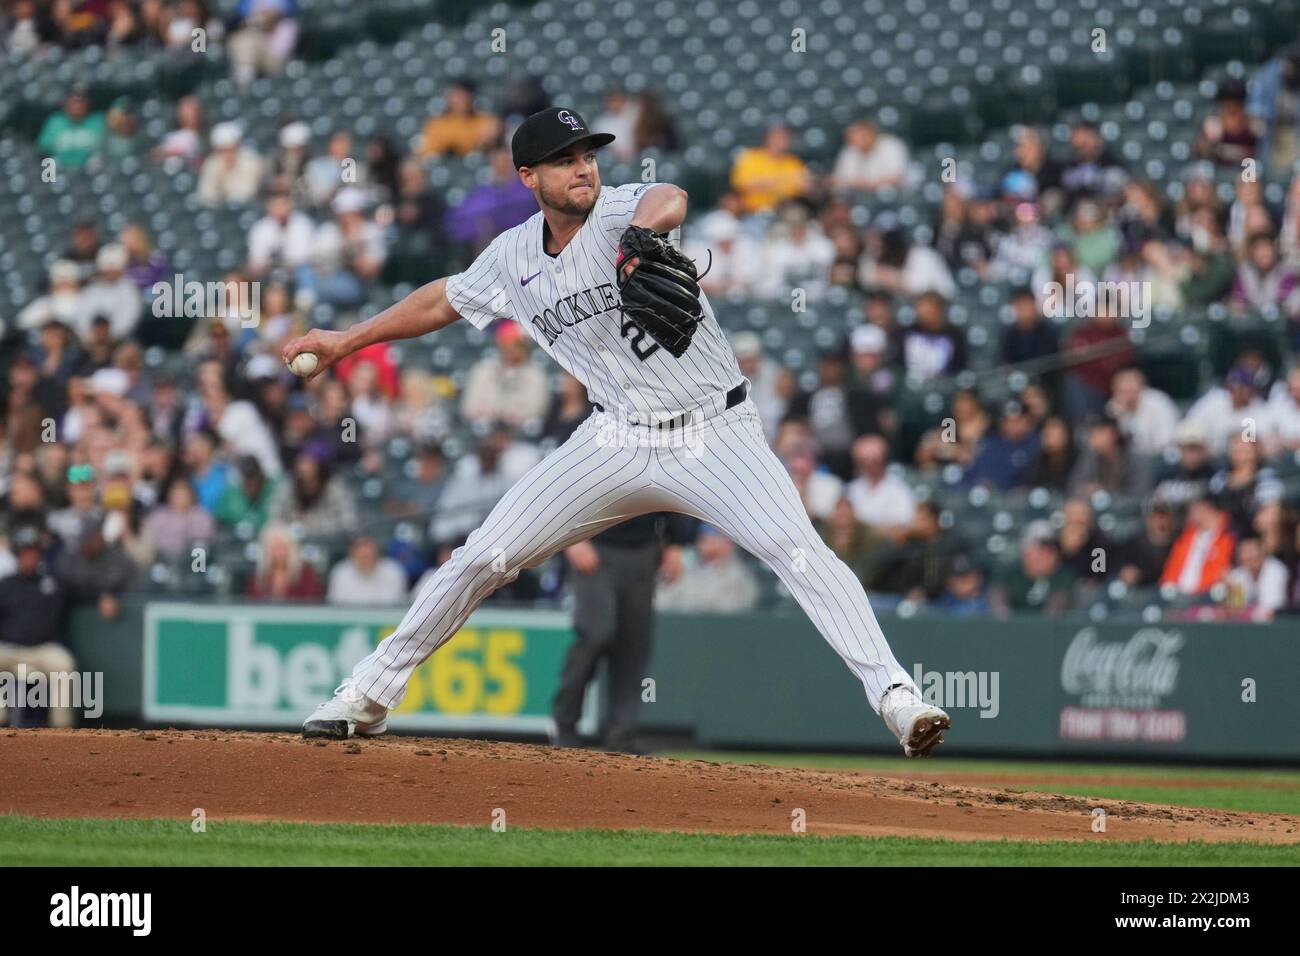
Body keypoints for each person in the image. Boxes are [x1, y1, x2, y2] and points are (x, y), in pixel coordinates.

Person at [286, 106, 950, 756]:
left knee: (798, 552)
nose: (582, 169)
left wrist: (638, 238)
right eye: (564, 161)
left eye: (587, 156)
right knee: (483, 556)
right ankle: (367, 697)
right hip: (616, 438)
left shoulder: (615, 211)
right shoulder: (513, 256)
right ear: (527, 177)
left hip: (715, 431)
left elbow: (670, 195)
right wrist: (349, 340)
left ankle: (896, 696)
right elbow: (442, 299)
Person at [550, 512, 691, 753]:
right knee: (597, 633)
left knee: (634, 644)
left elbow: (672, 487)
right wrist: (571, 538)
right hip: (594, 543)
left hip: (643, 550)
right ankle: (564, 726)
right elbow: (559, 484)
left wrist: (675, 543)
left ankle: (622, 735)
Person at [0, 527, 76, 728]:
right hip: (10, 649)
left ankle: (61, 729)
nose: (30, 558)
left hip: (43, 649)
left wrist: (106, 594)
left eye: (34, 554)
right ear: (17, 556)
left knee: (63, 664)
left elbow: (84, 587)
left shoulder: (53, 583)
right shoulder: (5, 585)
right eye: (25, 554)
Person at [327, 535, 408, 606]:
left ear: (377, 552)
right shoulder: (341, 573)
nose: (366, 559)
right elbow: (335, 609)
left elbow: (398, 609)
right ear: (352, 554)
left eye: (369, 555)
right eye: (362, 556)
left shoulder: (394, 571)